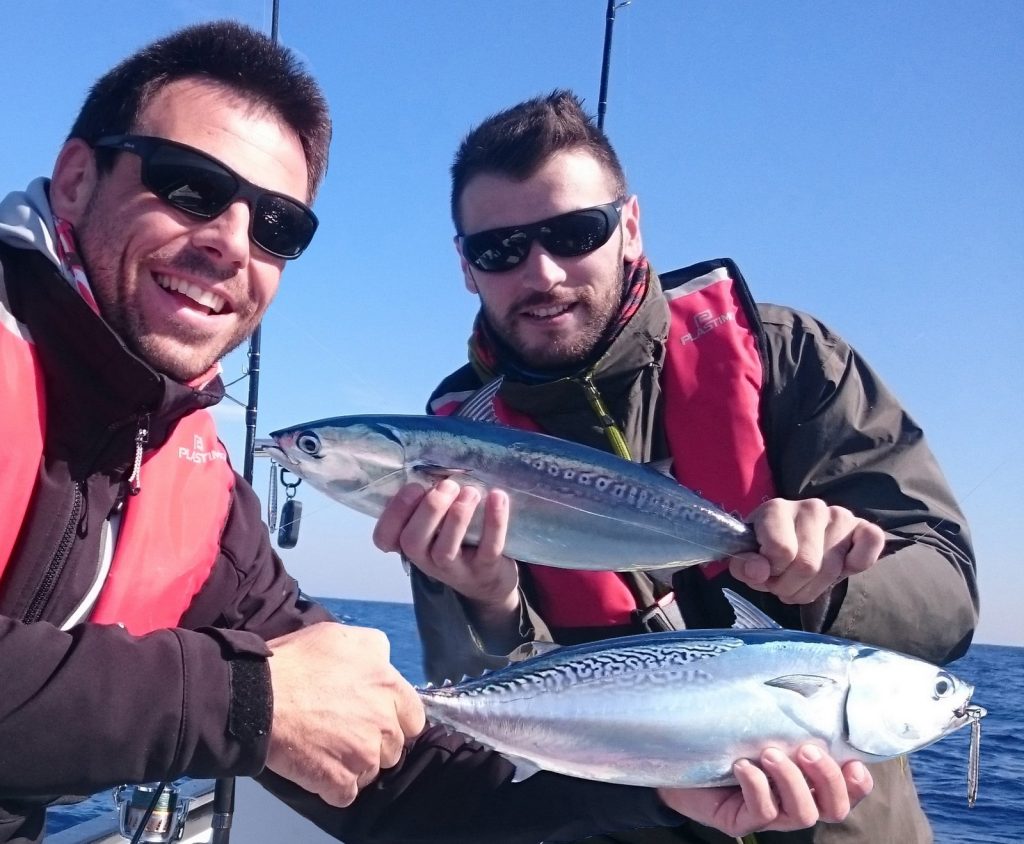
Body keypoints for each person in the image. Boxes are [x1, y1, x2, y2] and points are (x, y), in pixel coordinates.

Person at [0, 24, 872, 844]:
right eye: (188, 187)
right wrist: (246, 703)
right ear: (76, 178)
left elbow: (409, 781)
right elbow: (263, 701)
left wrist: (663, 788)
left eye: (278, 225)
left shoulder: (199, 495)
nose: (232, 244)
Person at [373, 90, 979, 844]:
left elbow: (948, 590)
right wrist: (488, 605)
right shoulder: (456, 449)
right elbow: (477, 713)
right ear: (466, 267)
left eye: (575, 233)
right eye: (500, 250)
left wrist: (837, 585)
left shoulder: (788, 356)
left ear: (630, 226)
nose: (544, 274)